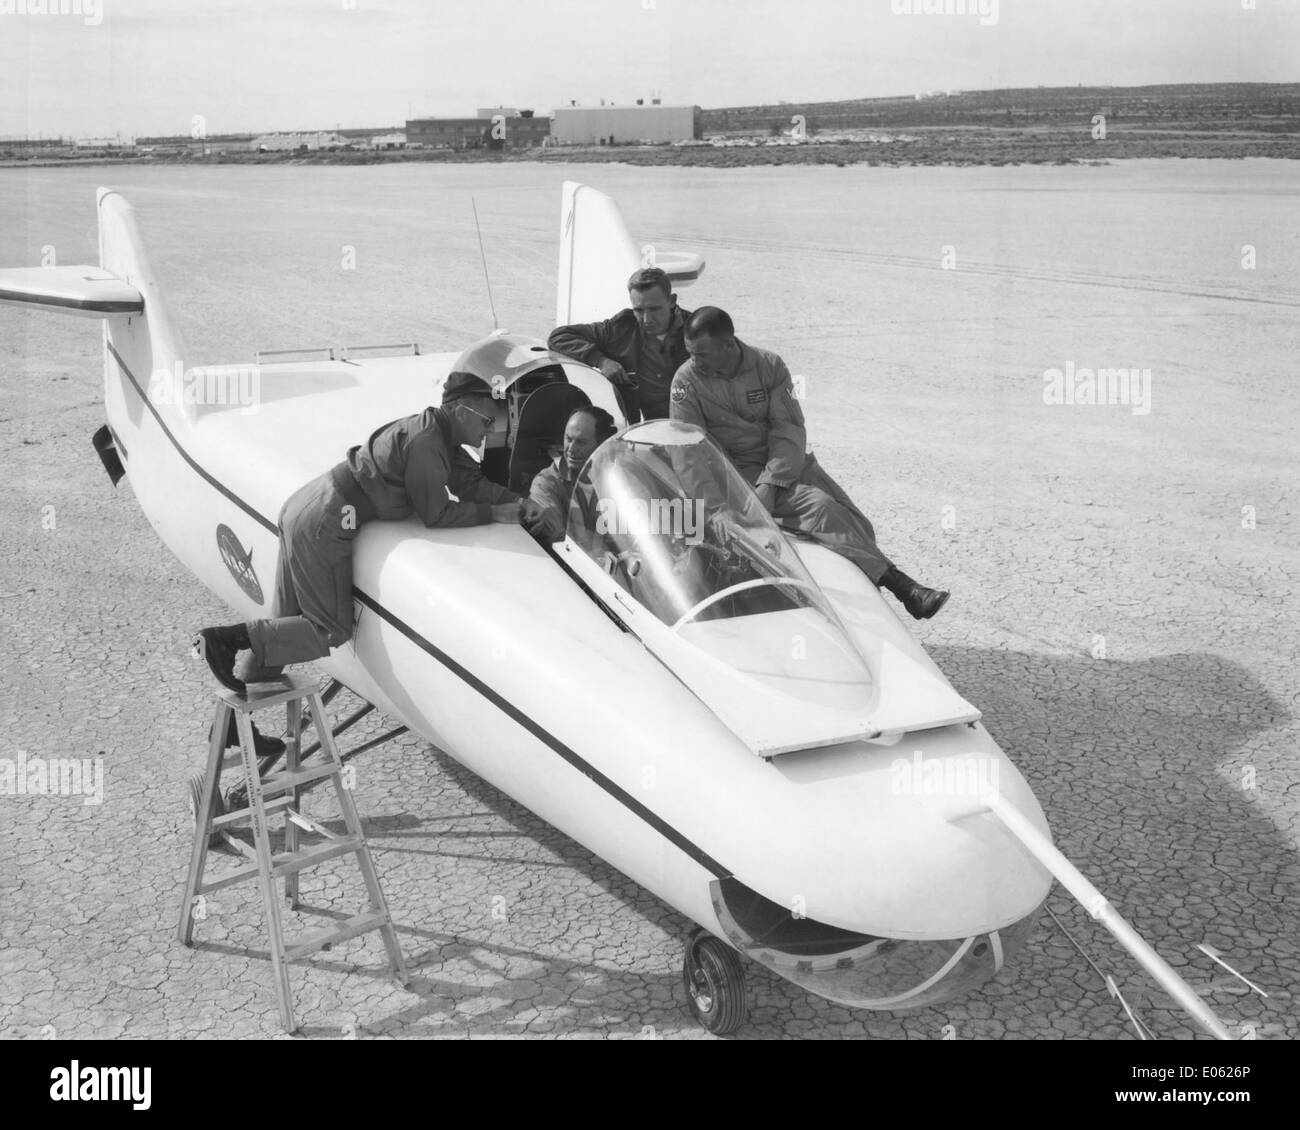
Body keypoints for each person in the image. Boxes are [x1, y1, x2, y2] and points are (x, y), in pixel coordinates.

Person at [196, 371, 546, 696]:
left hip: (307, 505)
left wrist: (518, 501)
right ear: (460, 411)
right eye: (487, 420)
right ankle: (227, 639)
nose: (491, 430)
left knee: (279, 635)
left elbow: (468, 483)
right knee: (329, 629)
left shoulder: (439, 435)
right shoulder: (427, 441)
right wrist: (494, 514)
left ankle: (232, 725)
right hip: (327, 520)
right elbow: (436, 514)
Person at [668, 307, 949, 620]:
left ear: (728, 344)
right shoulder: (686, 381)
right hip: (736, 476)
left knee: (858, 525)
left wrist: (772, 482)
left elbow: (788, 429)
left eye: (702, 353)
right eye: (690, 352)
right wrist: (717, 509)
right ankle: (905, 588)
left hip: (787, 464)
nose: (695, 361)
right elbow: (688, 452)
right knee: (822, 509)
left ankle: (872, 609)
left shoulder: (769, 366)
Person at [547, 266, 692, 423]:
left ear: (671, 301)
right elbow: (559, 336)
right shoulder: (621, 328)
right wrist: (601, 361)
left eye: (654, 309)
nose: (647, 320)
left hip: (692, 422)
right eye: (639, 310)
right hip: (644, 429)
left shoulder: (696, 329)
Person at [525, 405, 617, 543]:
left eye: (581, 442)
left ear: (601, 444)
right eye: (568, 439)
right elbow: (557, 537)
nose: (571, 449)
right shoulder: (546, 483)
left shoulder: (618, 481)